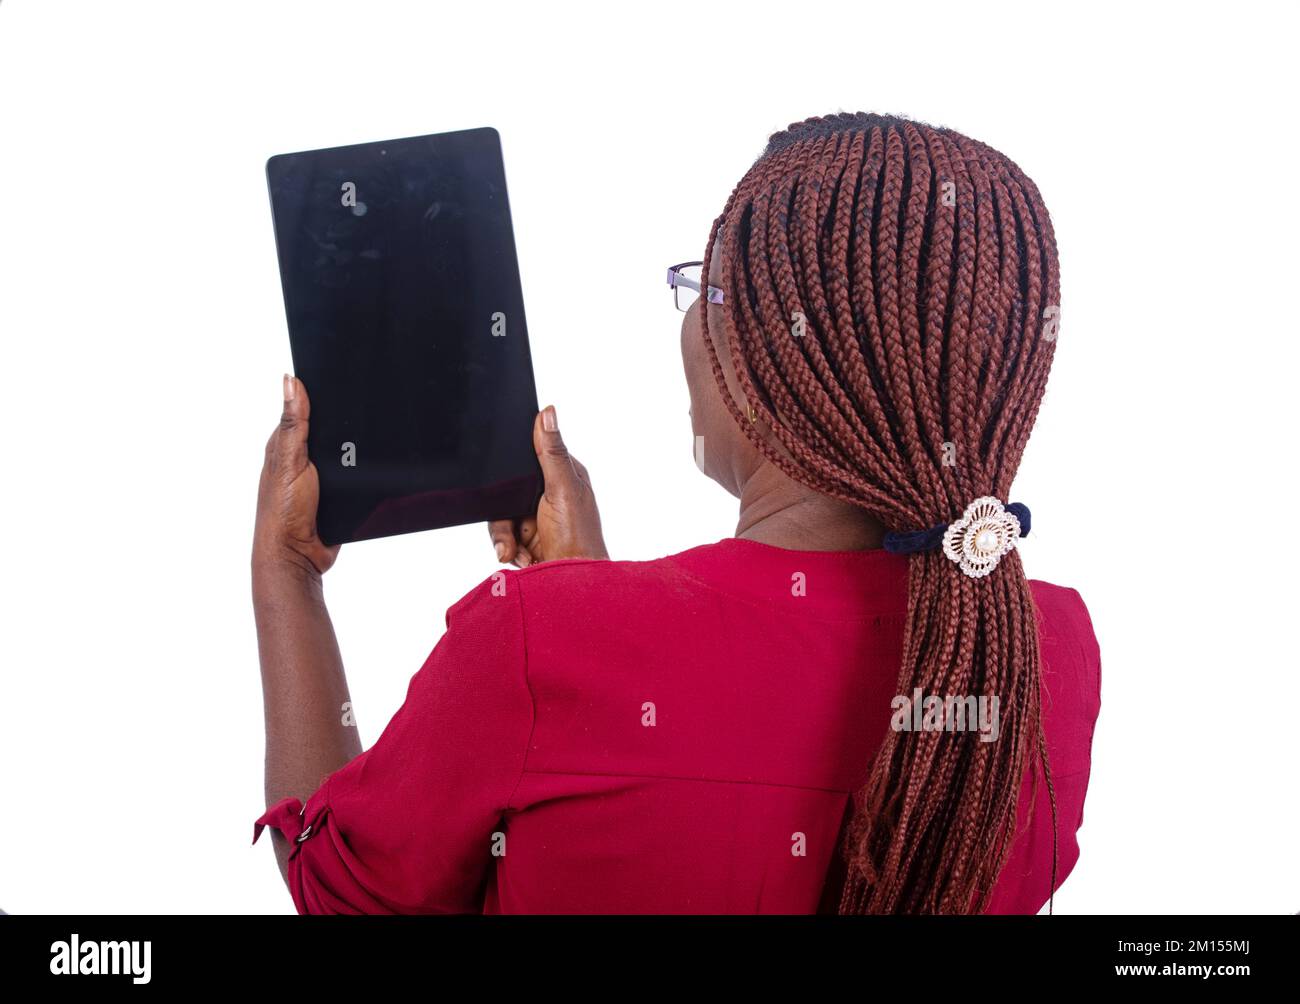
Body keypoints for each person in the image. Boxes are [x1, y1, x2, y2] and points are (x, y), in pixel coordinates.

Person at [251, 112, 1101, 914]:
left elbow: (338, 886)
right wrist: (590, 602)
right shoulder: (1047, 651)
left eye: (709, 292)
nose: (693, 323)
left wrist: (286, 575)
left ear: (770, 352)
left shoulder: (530, 642)